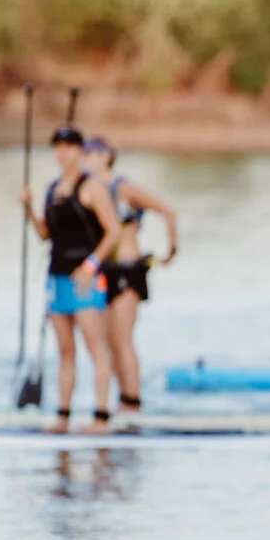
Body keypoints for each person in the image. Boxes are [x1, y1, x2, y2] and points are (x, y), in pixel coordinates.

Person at [18, 125, 123, 431]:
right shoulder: (53, 190)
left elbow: (113, 231)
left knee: (95, 348)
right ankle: (62, 416)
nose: (63, 153)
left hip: (85, 281)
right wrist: (28, 209)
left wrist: (91, 265)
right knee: (65, 350)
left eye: (69, 147)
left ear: (79, 151)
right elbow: (44, 234)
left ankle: (100, 417)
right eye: (58, 148)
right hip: (57, 276)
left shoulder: (92, 188)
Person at [86, 138, 179, 419]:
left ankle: (132, 399)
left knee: (123, 337)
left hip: (128, 268)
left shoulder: (123, 188)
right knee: (107, 339)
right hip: (103, 271)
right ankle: (120, 397)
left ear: (107, 156)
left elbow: (167, 210)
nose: (87, 158)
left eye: (93, 153)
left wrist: (170, 251)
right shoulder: (88, 189)